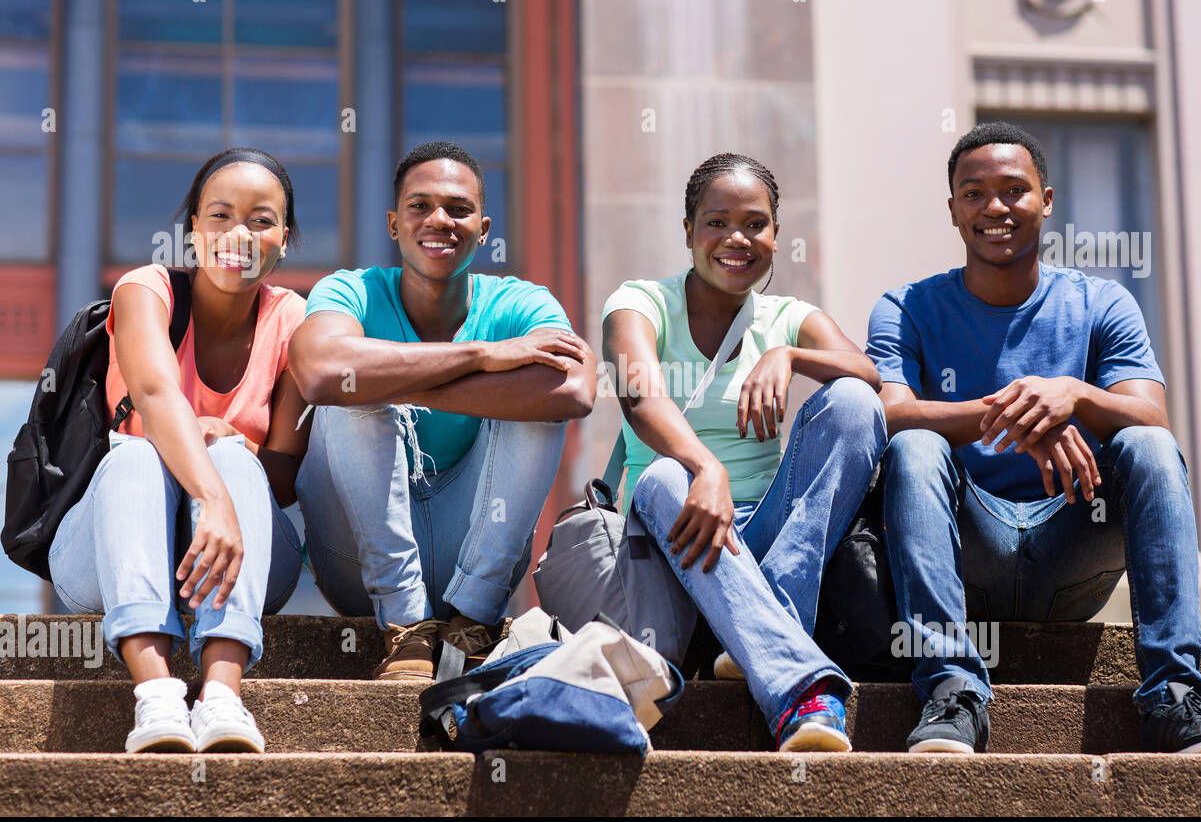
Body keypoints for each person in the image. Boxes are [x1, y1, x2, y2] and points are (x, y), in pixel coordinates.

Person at [867, 121, 1201, 755]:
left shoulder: (1102, 302)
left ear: (1047, 200)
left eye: (1014, 190)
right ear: (953, 210)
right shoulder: (906, 307)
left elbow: (1151, 415)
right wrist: (1024, 414)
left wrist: (1075, 395)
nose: (994, 207)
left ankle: (1174, 697)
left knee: (1149, 447)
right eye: (974, 193)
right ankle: (953, 692)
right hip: (966, 555)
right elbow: (890, 414)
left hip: (1074, 544)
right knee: (913, 447)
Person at [603, 152, 886, 752]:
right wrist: (703, 465)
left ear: (777, 238)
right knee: (661, 478)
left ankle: (762, 629)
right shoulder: (641, 302)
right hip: (675, 536)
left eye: (755, 223)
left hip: (769, 538)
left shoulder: (787, 317)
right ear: (688, 232)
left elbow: (867, 371)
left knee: (855, 404)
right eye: (716, 222)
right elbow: (637, 394)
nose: (737, 238)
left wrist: (790, 356)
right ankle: (802, 689)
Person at [290, 141, 596, 681]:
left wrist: (406, 382)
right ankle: (405, 627)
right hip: (356, 559)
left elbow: (575, 390)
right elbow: (318, 371)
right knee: (348, 390)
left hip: (471, 551)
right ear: (393, 224)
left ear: (483, 228)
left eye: (458, 209)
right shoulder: (350, 290)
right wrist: (482, 358)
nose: (439, 220)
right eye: (420, 206)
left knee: (539, 404)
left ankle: (471, 621)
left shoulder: (518, 302)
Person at [49, 147, 311, 753]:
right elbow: (153, 391)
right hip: (108, 551)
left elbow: (286, 472)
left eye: (262, 219)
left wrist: (232, 449)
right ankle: (158, 696)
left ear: (286, 238)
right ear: (193, 229)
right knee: (138, 454)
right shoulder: (146, 290)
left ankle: (222, 695)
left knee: (234, 454)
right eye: (219, 216)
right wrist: (210, 493)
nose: (238, 234)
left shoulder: (294, 318)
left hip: (242, 563)